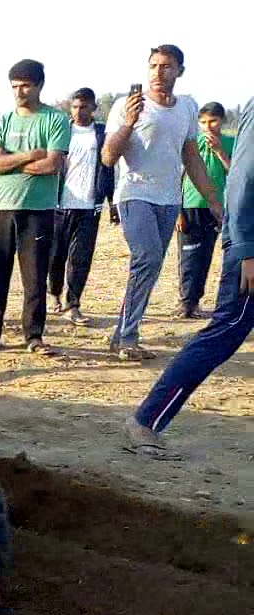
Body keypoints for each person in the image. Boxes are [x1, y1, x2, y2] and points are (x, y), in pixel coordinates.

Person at [123, 97, 254, 459]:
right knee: (227, 329)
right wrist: (245, 248)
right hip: (249, 246)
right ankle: (147, 421)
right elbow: (243, 179)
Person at [102, 44, 223, 360]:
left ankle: (123, 334)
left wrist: (213, 200)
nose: (158, 72)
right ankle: (127, 337)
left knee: (151, 265)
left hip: (169, 199)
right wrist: (129, 122)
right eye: (154, 65)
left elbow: (191, 156)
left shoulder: (186, 107)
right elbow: (108, 156)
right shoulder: (125, 106)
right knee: (147, 256)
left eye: (166, 66)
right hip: (134, 193)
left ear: (179, 70)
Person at [0, 59, 70, 357]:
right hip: (0, 208)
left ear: (39, 85)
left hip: (38, 210)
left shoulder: (54, 119)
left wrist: (7, 161)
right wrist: (29, 155)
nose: (19, 92)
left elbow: (53, 164)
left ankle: (33, 336)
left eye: (25, 86)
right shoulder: (4, 120)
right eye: (14, 87)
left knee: (35, 277)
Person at [48, 87, 115, 326]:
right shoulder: (62, 130)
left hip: (89, 206)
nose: (79, 111)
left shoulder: (101, 133)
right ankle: (54, 292)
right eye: (75, 107)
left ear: (93, 107)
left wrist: (111, 201)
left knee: (80, 258)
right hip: (59, 204)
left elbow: (108, 168)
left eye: (84, 106)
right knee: (56, 256)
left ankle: (72, 304)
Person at [175, 101, 235, 318]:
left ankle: (195, 302)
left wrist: (219, 151)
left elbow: (236, 174)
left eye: (213, 121)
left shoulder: (231, 143)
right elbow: (179, 176)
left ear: (222, 120)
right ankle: (185, 302)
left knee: (205, 255)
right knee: (188, 255)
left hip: (216, 208)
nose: (208, 126)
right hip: (190, 206)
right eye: (203, 122)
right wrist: (178, 211)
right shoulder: (192, 143)